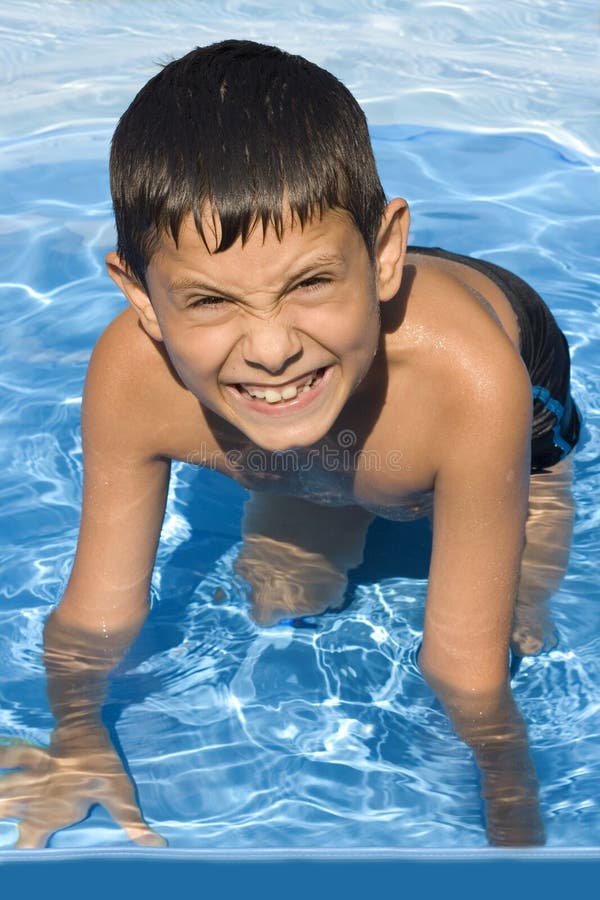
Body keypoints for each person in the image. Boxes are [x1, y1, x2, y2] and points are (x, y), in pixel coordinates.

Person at [0, 39, 580, 849]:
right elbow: (94, 619)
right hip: (345, 352)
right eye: (206, 300)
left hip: (497, 368)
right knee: (284, 590)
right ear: (140, 296)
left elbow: (466, 675)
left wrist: (514, 823)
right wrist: (77, 736)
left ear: (385, 256)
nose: (270, 347)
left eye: (307, 283)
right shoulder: (133, 381)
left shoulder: (473, 384)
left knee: (515, 604)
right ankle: (319, 479)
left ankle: (406, 482)